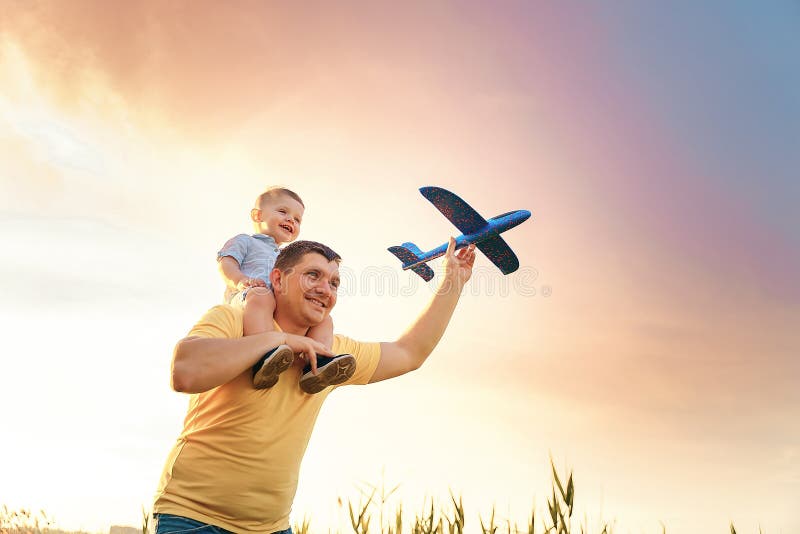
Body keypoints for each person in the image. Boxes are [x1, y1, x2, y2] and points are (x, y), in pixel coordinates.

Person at [153, 238, 476, 534]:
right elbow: (185, 372)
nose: (326, 289)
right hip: (191, 519)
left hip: (271, 528)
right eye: (313, 275)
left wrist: (454, 281)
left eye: (334, 283)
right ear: (277, 279)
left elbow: (409, 353)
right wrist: (278, 339)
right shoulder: (232, 319)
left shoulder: (328, 357)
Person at [217, 187, 354, 393]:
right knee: (261, 296)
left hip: (276, 305)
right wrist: (240, 281)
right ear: (258, 215)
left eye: (297, 219)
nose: (291, 220)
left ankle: (317, 363)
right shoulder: (246, 241)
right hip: (248, 298)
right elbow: (226, 263)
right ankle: (264, 356)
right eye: (283, 212)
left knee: (324, 319)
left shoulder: (287, 256)